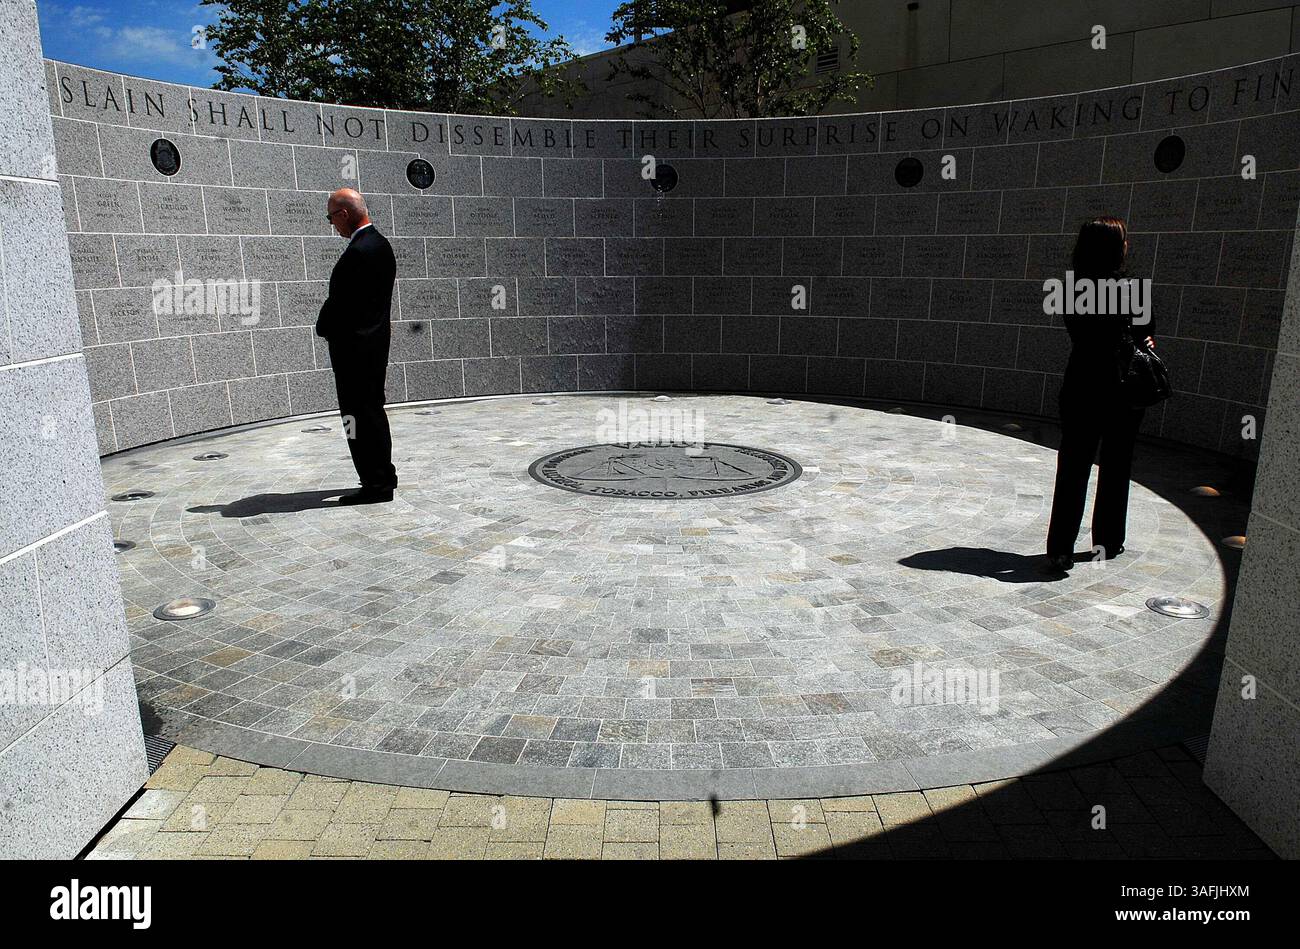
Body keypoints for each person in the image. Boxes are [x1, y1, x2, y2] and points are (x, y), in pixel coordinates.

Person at [1044, 216, 1155, 572]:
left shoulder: (1068, 289)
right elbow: (1145, 334)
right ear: (1115, 247)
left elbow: (1082, 333)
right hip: (1122, 388)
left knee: (1073, 466)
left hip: (1080, 385)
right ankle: (1107, 541)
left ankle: (1060, 547)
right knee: (1116, 465)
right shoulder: (1133, 289)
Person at [315, 188, 398, 504]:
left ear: (343, 214)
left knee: (355, 420)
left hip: (353, 354)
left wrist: (323, 327)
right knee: (373, 413)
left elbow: (339, 305)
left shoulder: (358, 253)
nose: (332, 225)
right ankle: (383, 477)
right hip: (374, 349)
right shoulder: (381, 246)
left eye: (331, 218)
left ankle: (375, 485)